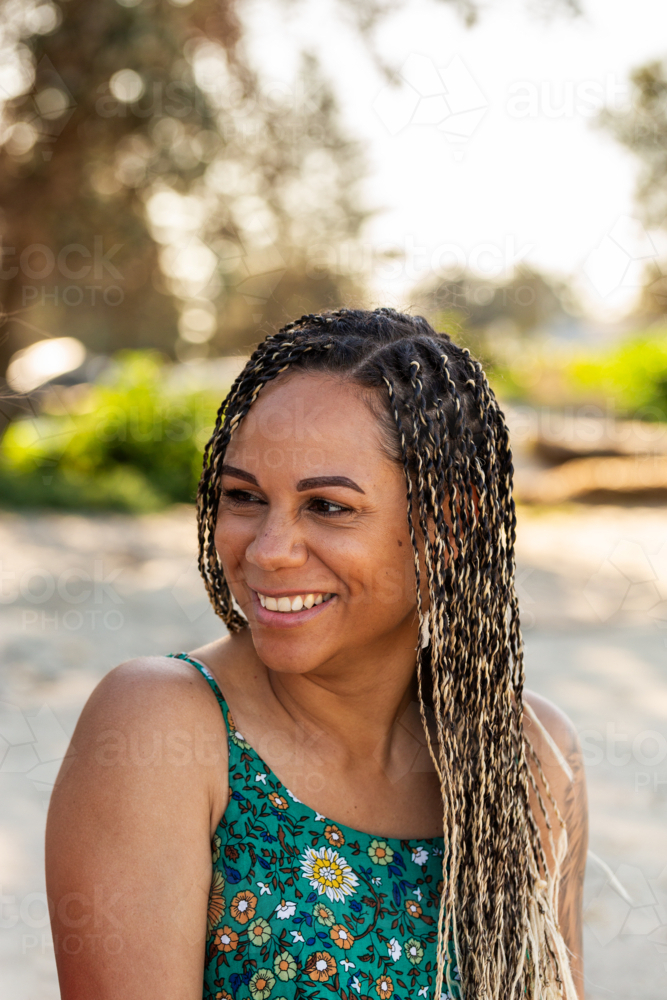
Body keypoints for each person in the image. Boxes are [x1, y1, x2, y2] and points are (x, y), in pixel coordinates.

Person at [45, 308, 588, 1000]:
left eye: (327, 506)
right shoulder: (163, 729)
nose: (269, 549)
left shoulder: (525, 756)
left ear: (449, 524)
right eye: (243, 497)